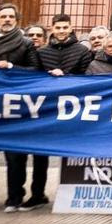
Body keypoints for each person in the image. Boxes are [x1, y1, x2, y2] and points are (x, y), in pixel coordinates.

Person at [0, 3, 42, 213]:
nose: (7, 20)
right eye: (3, 16)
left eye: (11, 16)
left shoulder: (26, 44)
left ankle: (14, 198)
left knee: (15, 157)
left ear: (16, 20)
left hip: (16, 108)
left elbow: (34, 70)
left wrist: (12, 67)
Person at [26, 12, 92, 210]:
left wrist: (67, 77)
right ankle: (37, 193)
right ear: (52, 29)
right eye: (58, 28)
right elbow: (34, 79)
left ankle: (76, 193)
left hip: (74, 110)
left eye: (65, 27)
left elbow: (88, 79)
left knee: (77, 152)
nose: (62, 31)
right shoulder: (42, 52)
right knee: (40, 154)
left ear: (71, 28)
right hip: (47, 111)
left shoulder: (82, 51)